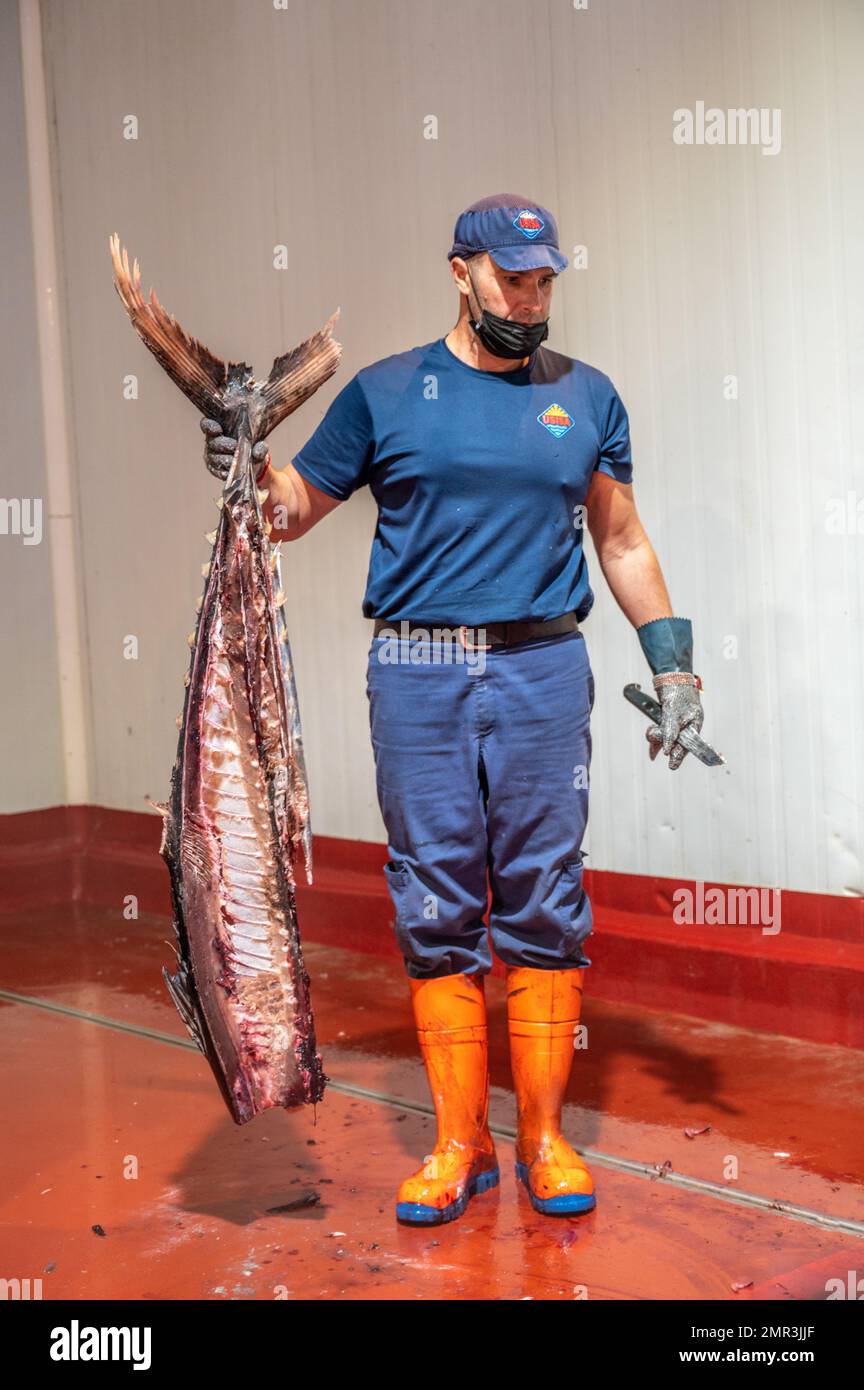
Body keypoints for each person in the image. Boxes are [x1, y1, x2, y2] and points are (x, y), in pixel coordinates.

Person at [200, 193, 706, 1226]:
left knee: (544, 894)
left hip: (543, 669)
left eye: (545, 279)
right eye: (512, 277)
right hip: (419, 672)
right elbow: (294, 509)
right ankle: (458, 1141)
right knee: (433, 902)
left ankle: (547, 1139)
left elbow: (620, 539)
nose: (530, 295)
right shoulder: (388, 395)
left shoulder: (588, 396)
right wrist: (247, 476)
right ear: (460, 272)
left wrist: (675, 668)